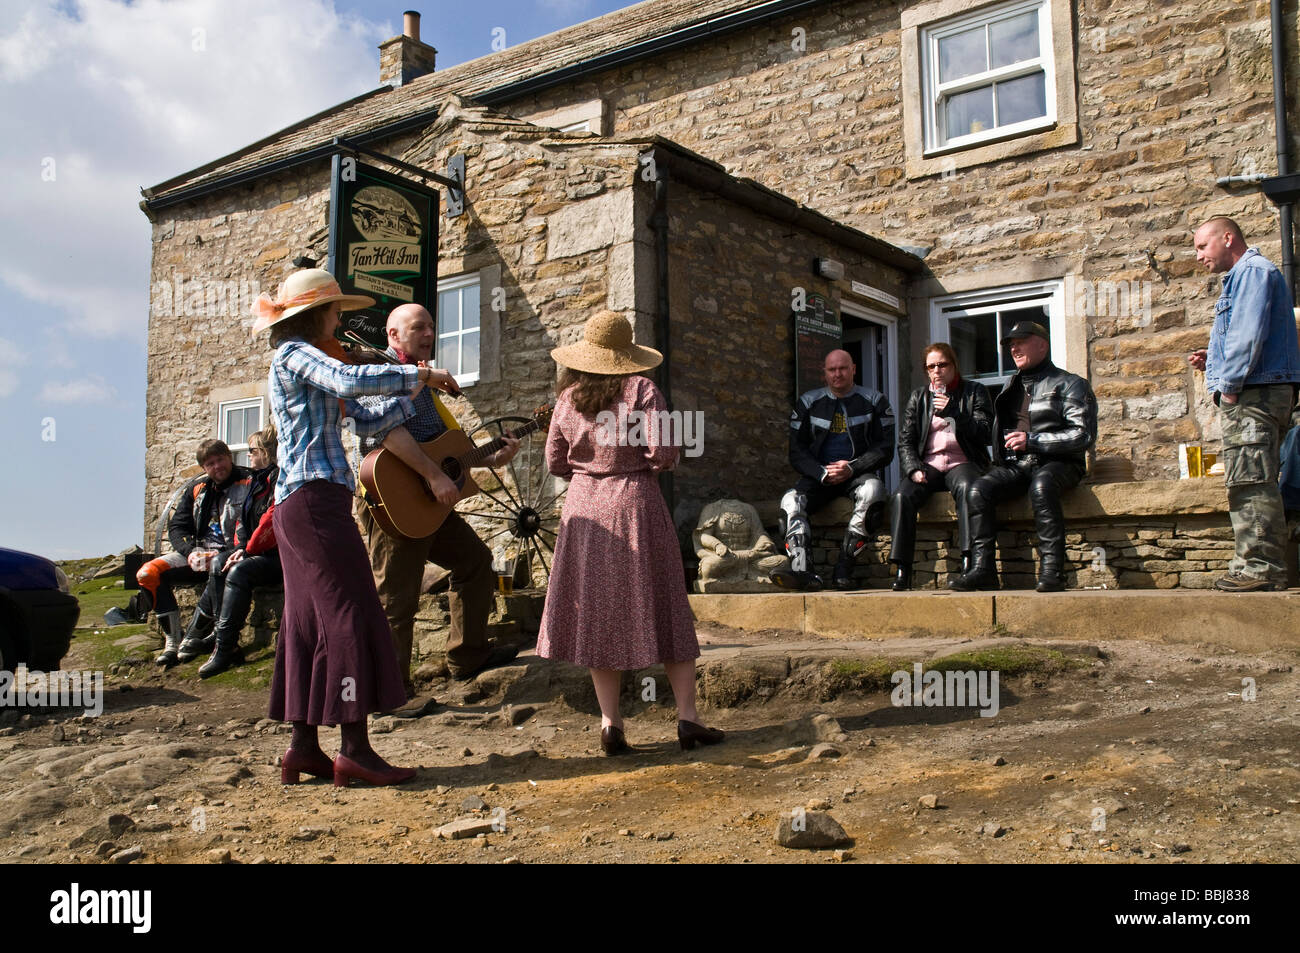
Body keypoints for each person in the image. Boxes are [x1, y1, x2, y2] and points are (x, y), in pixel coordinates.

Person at [254, 267, 454, 787]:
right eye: (336, 311)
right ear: (315, 314)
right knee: (352, 610)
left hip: (305, 501)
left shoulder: (315, 362)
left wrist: (407, 392)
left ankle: (304, 748)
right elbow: (348, 381)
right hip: (314, 499)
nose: (342, 320)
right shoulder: (296, 355)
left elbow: (366, 419)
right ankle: (355, 749)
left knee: (307, 620)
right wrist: (423, 376)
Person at [538, 310, 723, 755]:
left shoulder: (567, 398)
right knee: (666, 605)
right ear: (627, 354)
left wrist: (590, 469)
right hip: (635, 502)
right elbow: (664, 452)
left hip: (585, 508)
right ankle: (687, 720)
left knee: (600, 611)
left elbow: (553, 462)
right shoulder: (642, 389)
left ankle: (610, 725)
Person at [353, 303, 520, 717]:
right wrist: (433, 477)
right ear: (393, 335)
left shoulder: (423, 378)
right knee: (396, 598)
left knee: (476, 562)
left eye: (431, 326)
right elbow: (387, 433)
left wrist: (492, 457)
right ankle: (390, 694)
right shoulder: (381, 372)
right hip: (392, 498)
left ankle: (468, 656)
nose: (429, 332)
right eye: (418, 327)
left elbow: (444, 448)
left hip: (429, 498)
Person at [1187, 216, 1300, 591]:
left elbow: (1248, 335)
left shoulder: (1252, 272)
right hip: (1257, 389)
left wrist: (1231, 384)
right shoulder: (1247, 275)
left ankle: (1261, 570)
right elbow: (1250, 337)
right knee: (1249, 478)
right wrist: (1215, 359)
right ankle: (1250, 565)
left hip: (1254, 394)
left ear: (1228, 237)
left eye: (1203, 246)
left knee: (1251, 481)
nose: (1198, 255)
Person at [949, 321, 1097, 592]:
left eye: (1021, 341)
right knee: (978, 489)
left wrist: (1033, 441)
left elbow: (1082, 436)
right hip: (1019, 464)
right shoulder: (1011, 385)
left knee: (1041, 486)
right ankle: (983, 570)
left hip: (1060, 463)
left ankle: (1053, 572)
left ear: (1042, 344)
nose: (1014, 347)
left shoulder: (1071, 384)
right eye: (1010, 344)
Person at [770, 348, 894, 591]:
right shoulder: (808, 402)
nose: (838, 374)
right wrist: (822, 473)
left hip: (856, 475)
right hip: (819, 476)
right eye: (832, 369)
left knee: (874, 491)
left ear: (853, 369)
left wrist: (852, 467)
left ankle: (844, 568)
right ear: (824, 373)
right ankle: (802, 570)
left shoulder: (875, 400)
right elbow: (796, 451)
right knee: (790, 501)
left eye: (843, 368)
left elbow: (886, 448)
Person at [132, 439, 250, 667]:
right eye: (210, 463)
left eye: (220, 460)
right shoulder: (196, 489)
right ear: (204, 468)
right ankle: (172, 642)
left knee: (219, 568)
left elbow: (253, 525)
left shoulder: (249, 483)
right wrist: (190, 552)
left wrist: (226, 554)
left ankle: (192, 639)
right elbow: (177, 528)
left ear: (229, 457)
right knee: (147, 573)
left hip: (229, 556)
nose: (217, 466)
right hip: (197, 553)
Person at [889, 342, 993, 590]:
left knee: (970, 490)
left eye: (942, 365)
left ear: (954, 365)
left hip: (963, 461)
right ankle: (903, 569)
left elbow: (985, 432)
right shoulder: (919, 397)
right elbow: (906, 440)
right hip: (930, 463)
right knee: (902, 496)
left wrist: (954, 411)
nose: (937, 371)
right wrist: (913, 467)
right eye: (931, 366)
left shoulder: (975, 392)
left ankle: (969, 562)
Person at [191, 427, 283, 678]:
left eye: (252, 451)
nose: (248, 456)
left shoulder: (278, 478)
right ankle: (223, 640)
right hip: (258, 551)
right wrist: (241, 547)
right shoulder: (256, 481)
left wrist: (247, 551)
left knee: (239, 571)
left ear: (265, 452)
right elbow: (246, 521)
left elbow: (272, 520)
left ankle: (224, 646)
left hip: (280, 556)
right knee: (220, 561)